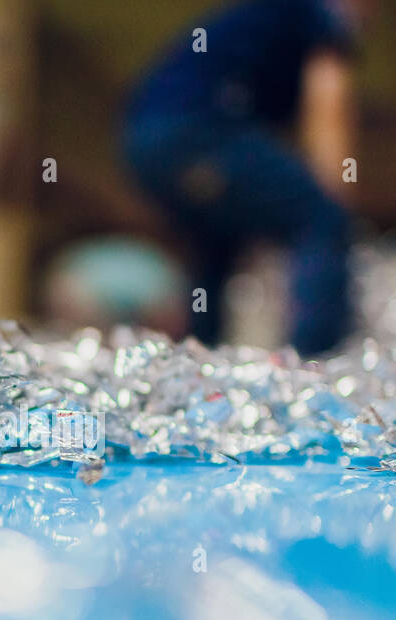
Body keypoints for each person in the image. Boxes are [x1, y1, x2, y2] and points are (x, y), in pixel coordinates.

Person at [123, 0, 370, 355]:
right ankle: (316, 367)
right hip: (198, 131)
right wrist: (334, 200)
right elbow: (328, 104)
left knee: (216, 242)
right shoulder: (318, 14)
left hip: (143, 140)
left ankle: (194, 361)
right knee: (321, 219)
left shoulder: (264, 21)